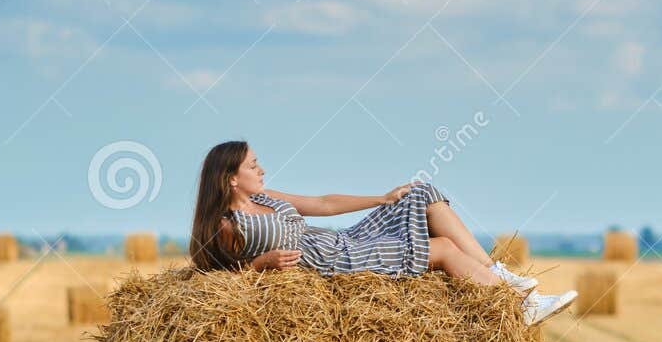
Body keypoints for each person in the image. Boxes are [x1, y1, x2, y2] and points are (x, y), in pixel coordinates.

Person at [187, 140, 577, 326]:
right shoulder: (228, 226)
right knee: (440, 248)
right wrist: (261, 263)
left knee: (421, 190)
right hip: (333, 261)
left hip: (340, 239)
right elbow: (217, 277)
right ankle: (516, 305)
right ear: (231, 178)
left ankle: (503, 277)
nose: (262, 170)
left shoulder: (268, 197)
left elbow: (322, 204)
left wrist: (380, 198)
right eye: (254, 167)